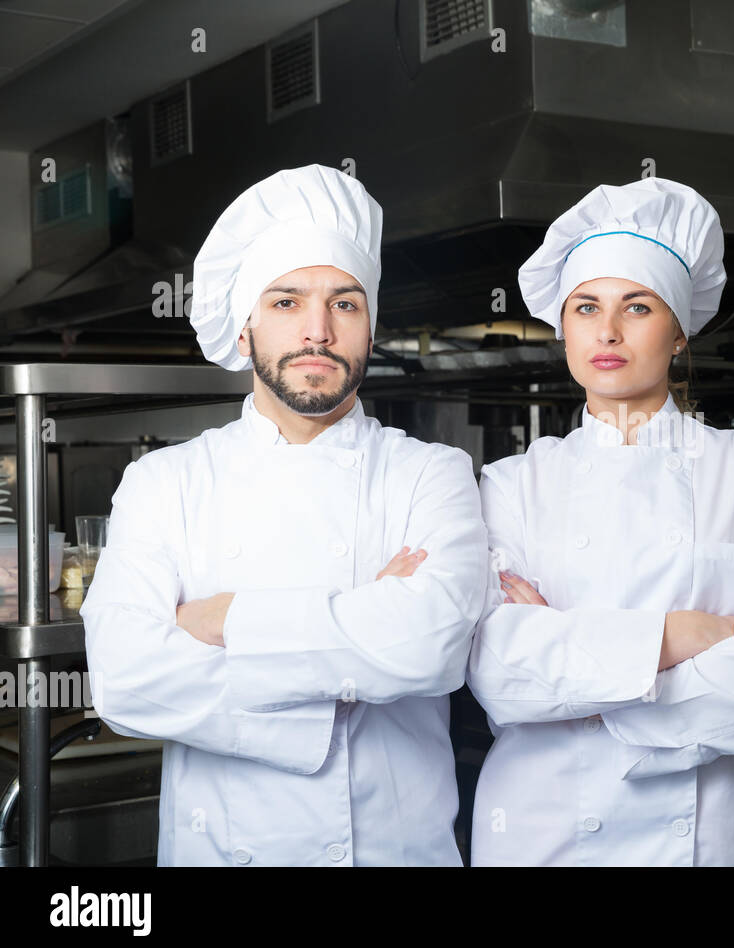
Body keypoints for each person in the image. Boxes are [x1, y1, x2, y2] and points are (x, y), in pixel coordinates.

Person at [81, 165, 488, 865]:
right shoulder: (164, 482)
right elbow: (125, 683)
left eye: (346, 304)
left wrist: (221, 619)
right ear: (244, 331)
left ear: (369, 326)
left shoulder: (432, 474)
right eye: (287, 302)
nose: (318, 332)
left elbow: (432, 648)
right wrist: (363, 630)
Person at [466, 177, 734, 866]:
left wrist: (586, 692)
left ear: (680, 330)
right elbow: (499, 675)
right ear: (562, 326)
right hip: (541, 831)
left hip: (704, 832)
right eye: (587, 307)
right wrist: (678, 636)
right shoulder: (509, 484)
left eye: (638, 306)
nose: (608, 330)